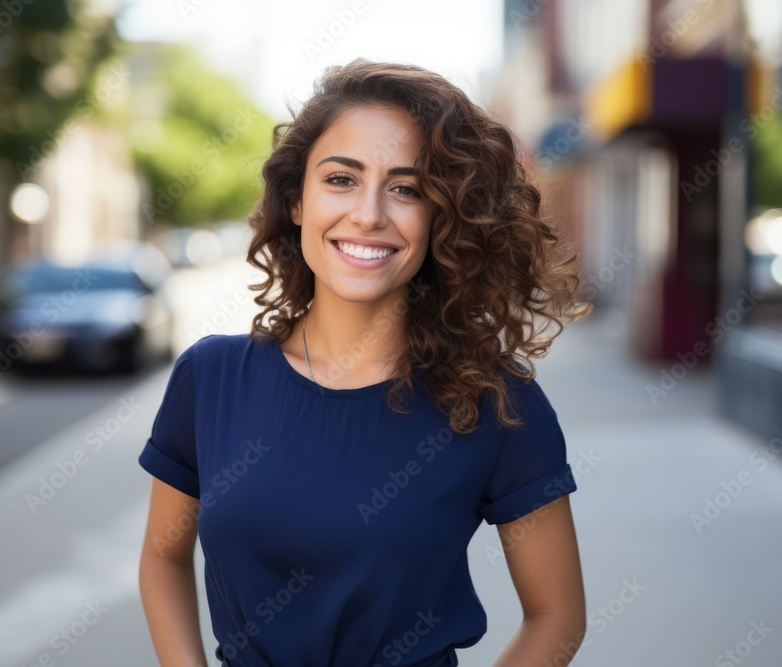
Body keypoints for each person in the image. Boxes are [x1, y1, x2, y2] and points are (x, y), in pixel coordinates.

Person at [137, 58, 593, 667]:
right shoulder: (211, 378)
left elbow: (557, 617)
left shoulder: (493, 402)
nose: (370, 214)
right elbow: (163, 555)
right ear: (297, 200)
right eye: (341, 179)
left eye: (407, 188)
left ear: (441, 218)